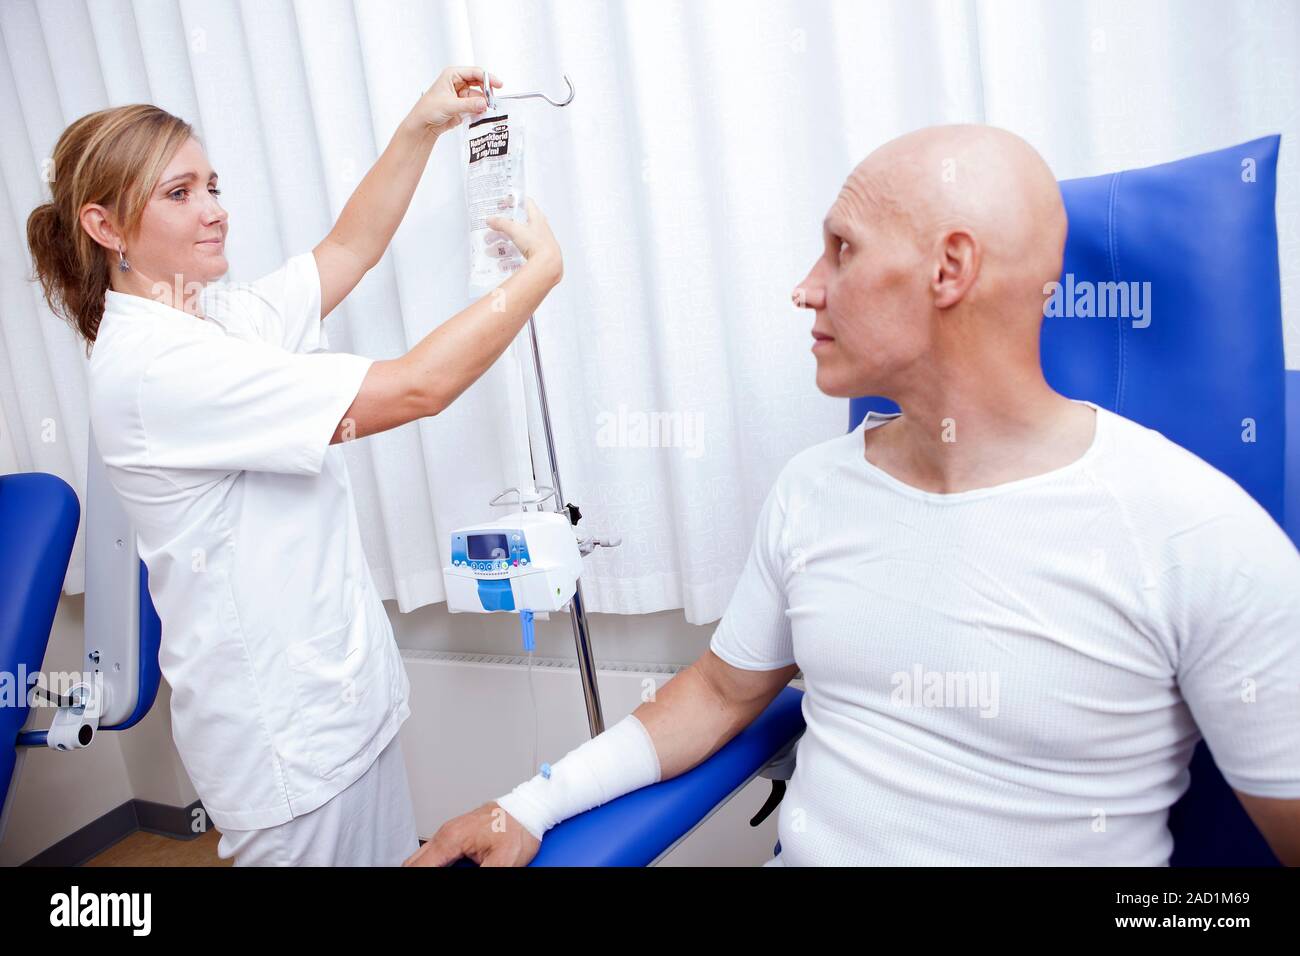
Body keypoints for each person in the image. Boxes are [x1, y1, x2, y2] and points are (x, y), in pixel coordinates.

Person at [407, 124, 1300, 867]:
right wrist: (528, 805)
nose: (806, 288)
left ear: (949, 270)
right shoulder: (815, 491)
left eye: (841, 249)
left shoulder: (1199, 535)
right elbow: (720, 691)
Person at [27, 67, 563, 865]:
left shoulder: (216, 314)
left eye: (212, 184)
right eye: (179, 194)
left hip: (345, 702)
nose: (215, 209)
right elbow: (417, 388)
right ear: (104, 226)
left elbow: (349, 247)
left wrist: (422, 124)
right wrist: (537, 277)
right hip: (286, 747)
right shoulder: (156, 370)